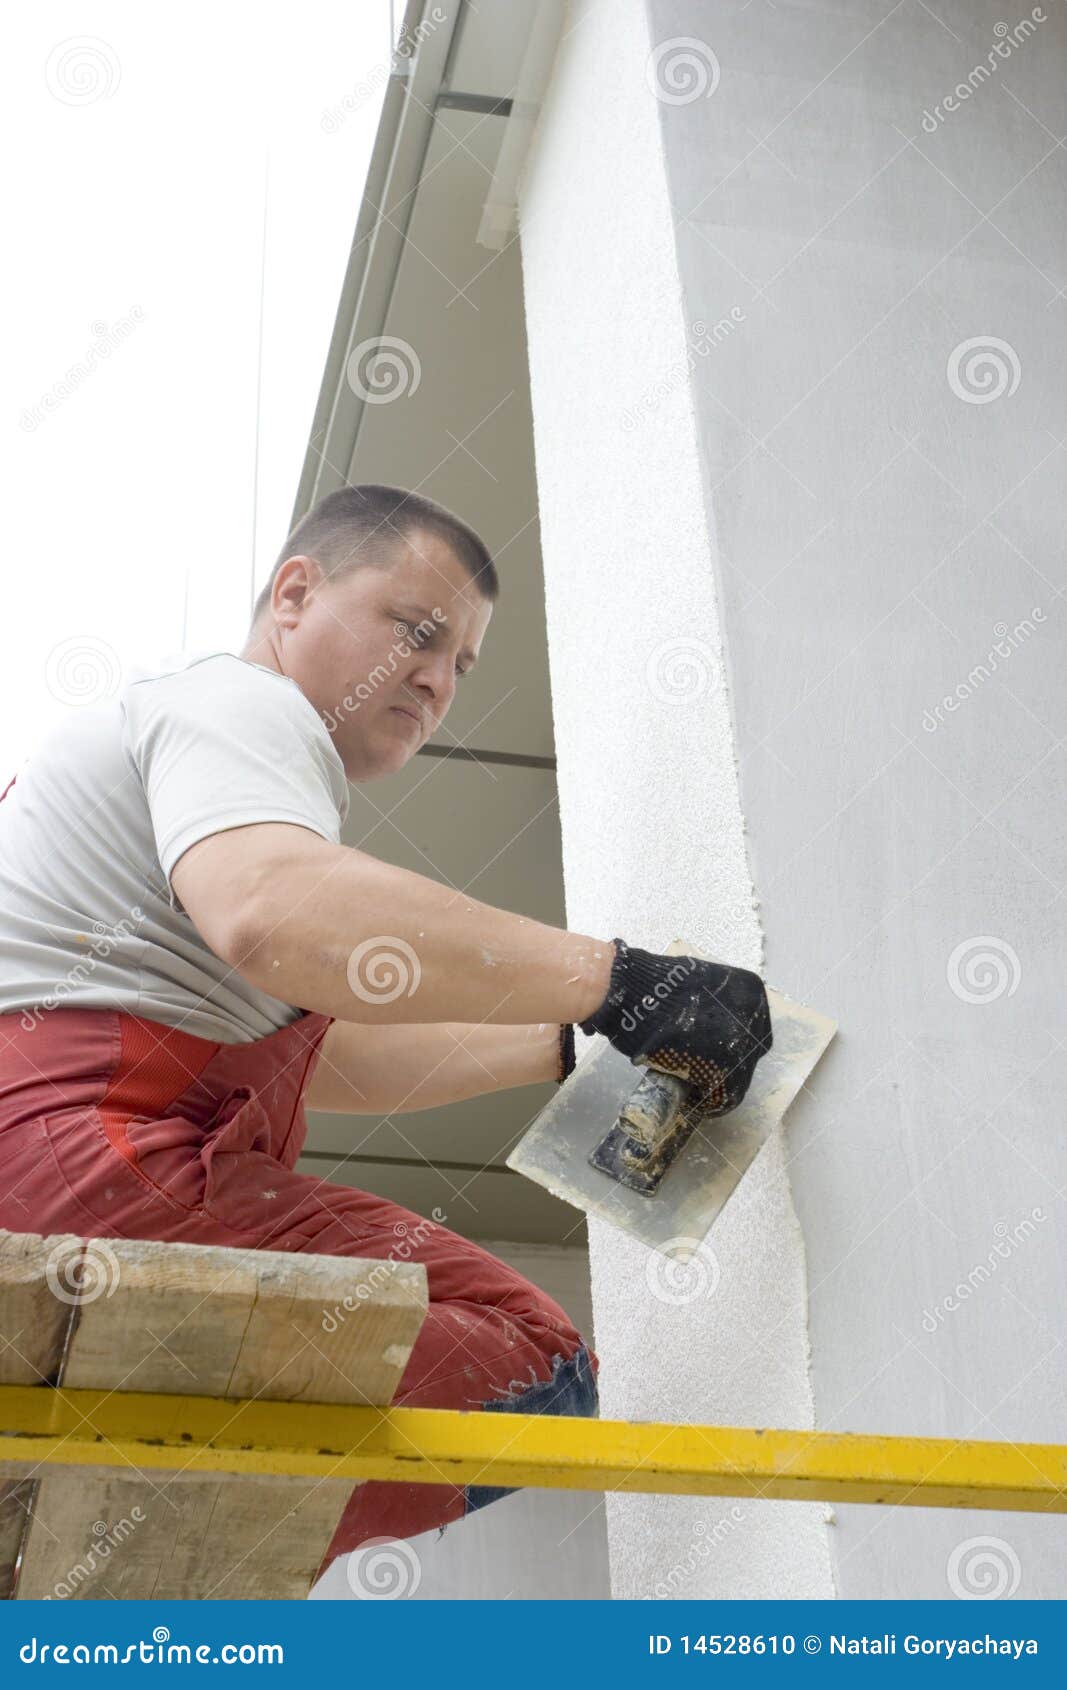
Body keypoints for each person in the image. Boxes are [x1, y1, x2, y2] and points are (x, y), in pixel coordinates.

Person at [0, 483, 771, 1578]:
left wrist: (567, 1041)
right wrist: (618, 979)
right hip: (88, 1163)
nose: (435, 678)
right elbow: (274, 911)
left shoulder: (172, 769)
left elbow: (332, 1054)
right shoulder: (239, 710)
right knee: (533, 1371)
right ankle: (138, 1539)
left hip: (64, 1165)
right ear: (294, 593)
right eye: (416, 630)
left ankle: (89, 1530)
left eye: (461, 663)